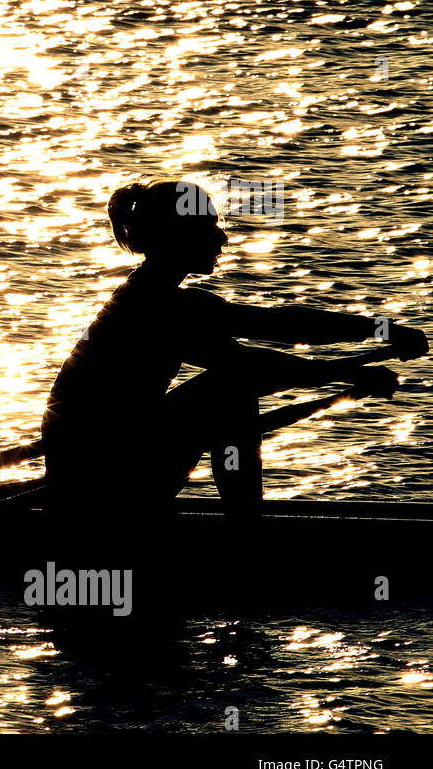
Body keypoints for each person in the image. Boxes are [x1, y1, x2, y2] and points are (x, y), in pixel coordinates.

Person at [41, 179, 426, 516]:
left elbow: (274, 334)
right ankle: (245, 533)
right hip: (103, 474)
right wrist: (369, 351)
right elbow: (267, 345)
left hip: (106, 459)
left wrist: (372, 345)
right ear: (175, 236)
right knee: (233, 391)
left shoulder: (153, 295)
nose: (223, 237)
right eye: (209, 226)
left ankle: (243, 526)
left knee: (233, 387)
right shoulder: (162, 305)